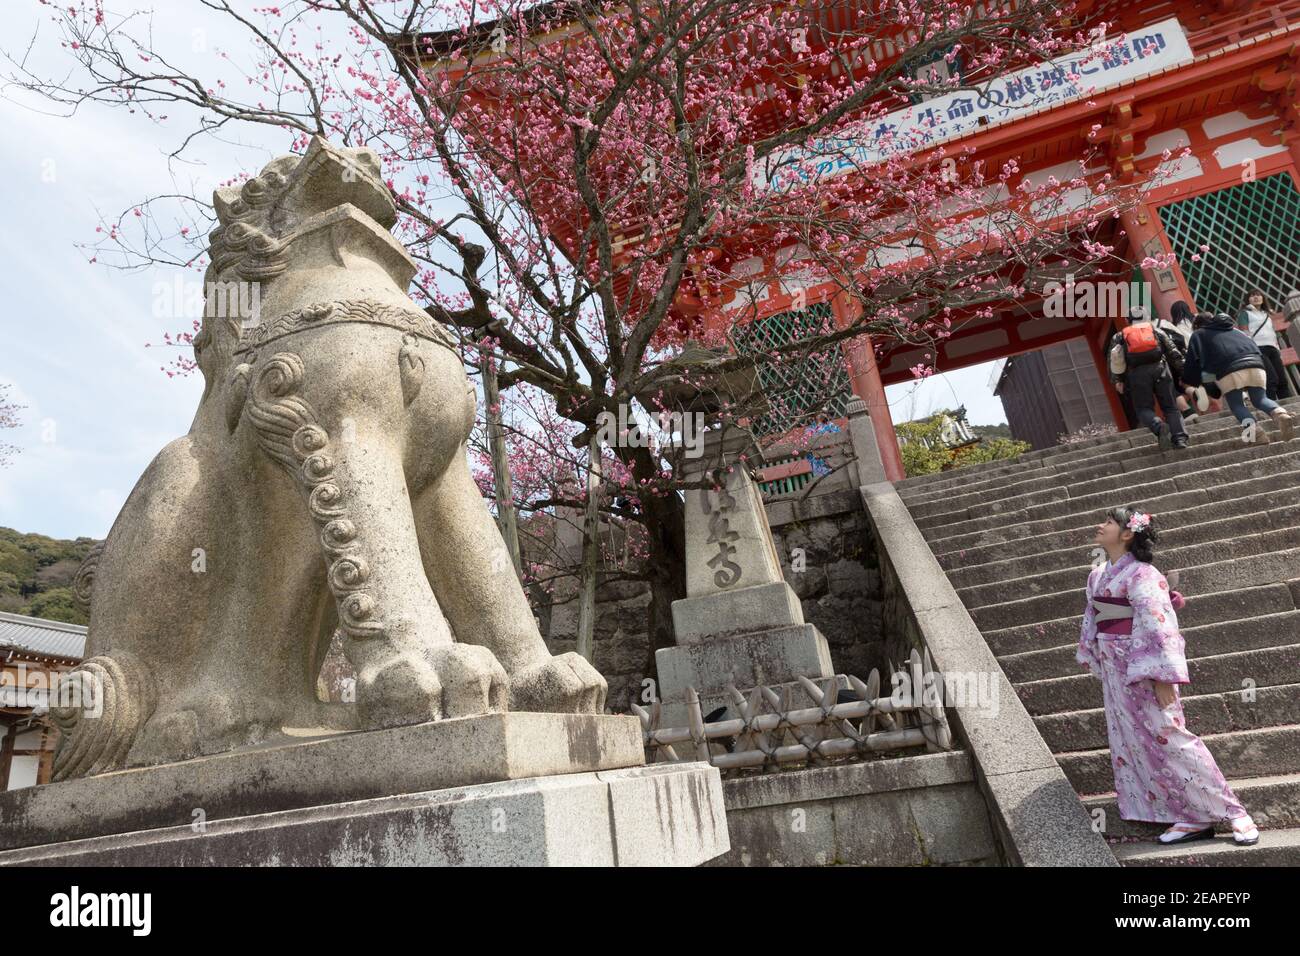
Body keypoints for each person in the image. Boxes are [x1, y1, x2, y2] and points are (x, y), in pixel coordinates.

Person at [1078, 506, 1259, 846]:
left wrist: (1163, 676)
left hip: (1144, 669)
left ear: (1127, 534)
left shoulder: (1143, 574)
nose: (1099, 526)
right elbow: (1095, 616)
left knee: (1169, 735)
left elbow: (1158, 623)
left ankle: (1234, 811)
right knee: (1136, 742)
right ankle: (1190, 816)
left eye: (1108, 522)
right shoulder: (1098, 574)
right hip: (1116, 669)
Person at [1182, 311, 1296, 443]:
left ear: (1197, 325)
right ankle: (1280, 414)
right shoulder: (1235, 330)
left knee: (1237, 405)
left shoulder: (1199, 334)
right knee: (1260, 399)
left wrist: (1190, 380)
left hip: (1229, 369)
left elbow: (1196, 362)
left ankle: (1257, 435)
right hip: (1256, 365)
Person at [1108, 305, 1188, 450]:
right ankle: (1180, 438)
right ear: (1145, 317)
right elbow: (1174, 353)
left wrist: (1118, 380)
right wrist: (1184, 373)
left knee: (1143, 408)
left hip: (1137, 374)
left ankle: (1158, 425)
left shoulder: (1120, 336)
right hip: (1161, 369)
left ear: (1128, 319)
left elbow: (1114, 359)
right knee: (1170, 407)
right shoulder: (1156, 330)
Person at [1236, 289, 1291, 401]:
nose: (1256, 297)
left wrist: (1278, 350)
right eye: (1252, 296)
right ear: (1248, 300)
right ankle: (1271, 406)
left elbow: (1272, 334)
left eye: (1258, 295)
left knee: (1282, 380)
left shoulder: (1266, 314)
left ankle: (1288, 404)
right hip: (1258, 349)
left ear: (1263, 298)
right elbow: (1244, 333)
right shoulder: (1244, 313)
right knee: (1271, 379)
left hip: (1273, 348)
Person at [1159, 300, 1204, 422]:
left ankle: (1190, 408)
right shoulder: (1198, 319)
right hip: (1205, 354)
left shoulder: (1174, 326)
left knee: (1181, 387)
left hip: (1188, 358)